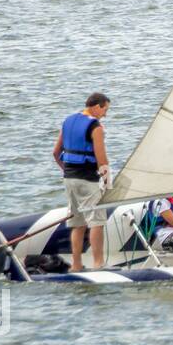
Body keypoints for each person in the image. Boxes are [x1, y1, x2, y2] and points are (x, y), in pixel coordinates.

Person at [53, 93, 111, 273]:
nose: (105, 115)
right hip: (88, 179)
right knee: (96, 222)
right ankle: (98, 263)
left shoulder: (68, 121)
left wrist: (67, 171)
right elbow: (102, 160)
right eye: (105, 110)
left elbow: (55, 153)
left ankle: (76, 265)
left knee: (77, 223)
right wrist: (108, 183)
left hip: (69, 179)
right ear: (96, 107)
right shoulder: (96, 127)